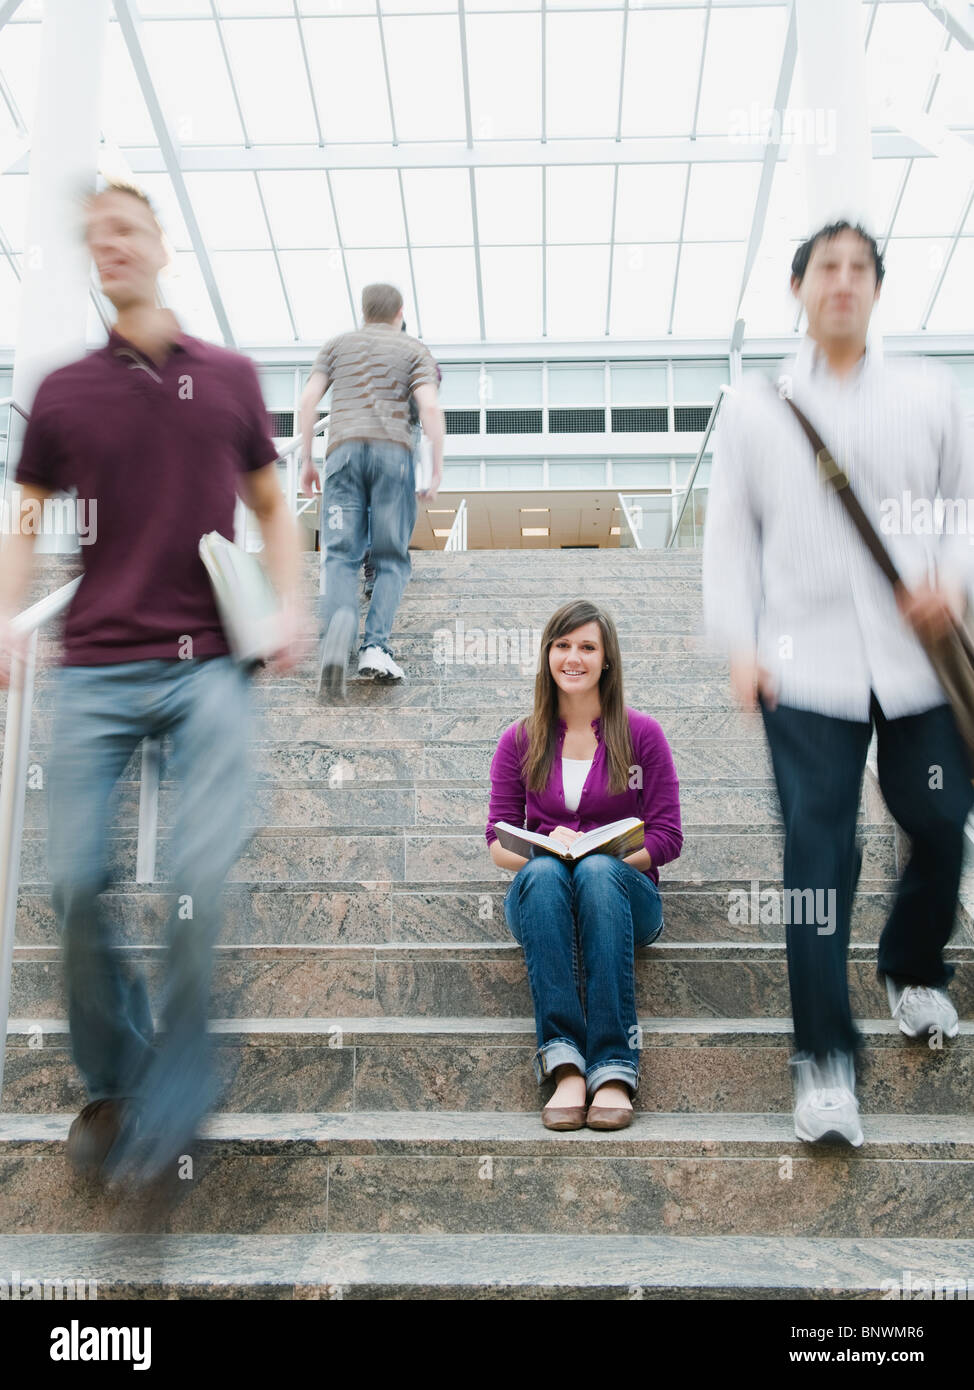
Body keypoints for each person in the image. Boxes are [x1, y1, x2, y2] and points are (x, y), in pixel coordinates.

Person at [0, 181, 303, 1185]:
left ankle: (168, 1101)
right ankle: (118, 1073)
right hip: (92, 663)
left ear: (162, 240)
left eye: (125, 229)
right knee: (75, 881)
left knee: (197, 886)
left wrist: (290, 605)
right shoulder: (63, 391)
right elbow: (25, 515)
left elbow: (273, 502)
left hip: (208, 666)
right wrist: (7, 618)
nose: (110, 246)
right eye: (96, 238)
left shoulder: (225, 378)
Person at [703, 220, 974, 1147]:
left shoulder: (933, 393)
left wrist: (954, 575)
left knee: (937, 819)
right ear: (799, 287)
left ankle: (910, 963)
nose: (845, 282)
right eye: (829, 267)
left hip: (914, 663)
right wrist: (738, 640)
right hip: (801, 665)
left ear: (877, 289)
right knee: (818, 857)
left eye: (861, 269)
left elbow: (964, 503)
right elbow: (731, 534)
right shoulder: (753, 408)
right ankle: (824, 1061)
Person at [485, 600, 683, 1131]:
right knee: (546, 873)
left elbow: (667, 837)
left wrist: (600, 854)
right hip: (545, 898)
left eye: (587, 647)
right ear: (548, 654)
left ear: (607, 659)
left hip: (627, 900)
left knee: (595, 873)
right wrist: (548, 849)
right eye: (563, 645)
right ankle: (566, 1066)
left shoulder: (642, 736)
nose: (573, 658)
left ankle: (615, 1068)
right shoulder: (519, 740)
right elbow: (498, 840)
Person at [298, 284, 445, 698]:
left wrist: (307, 460)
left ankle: (337, 632)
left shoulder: (336, 345)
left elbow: (308, 400)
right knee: (391, 559)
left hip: (342, 454)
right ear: (400, 311)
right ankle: (374, 648)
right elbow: (430, 408)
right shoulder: (414, 350)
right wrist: (436, 469)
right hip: (393, 457)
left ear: (363, 311)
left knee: (340, 555)